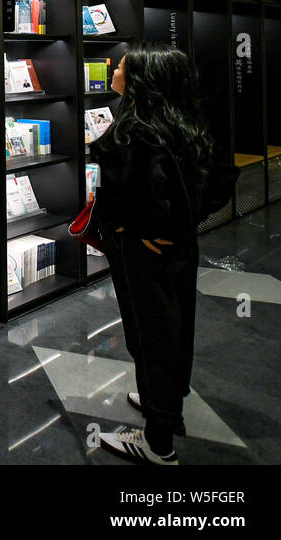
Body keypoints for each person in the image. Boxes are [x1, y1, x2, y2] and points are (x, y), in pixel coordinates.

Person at [89, 43, 223, 465]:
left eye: (124, 66)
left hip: (142, 252)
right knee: (174, 327)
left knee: (150, 335)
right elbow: (217, 183)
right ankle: (165, 404)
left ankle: (158, 442)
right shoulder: (181, 125)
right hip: (179, 248)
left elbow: (131, 194)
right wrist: (179, 229)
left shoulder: (137, 132)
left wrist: (144, 230)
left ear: (140, 80)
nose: (115, 68)